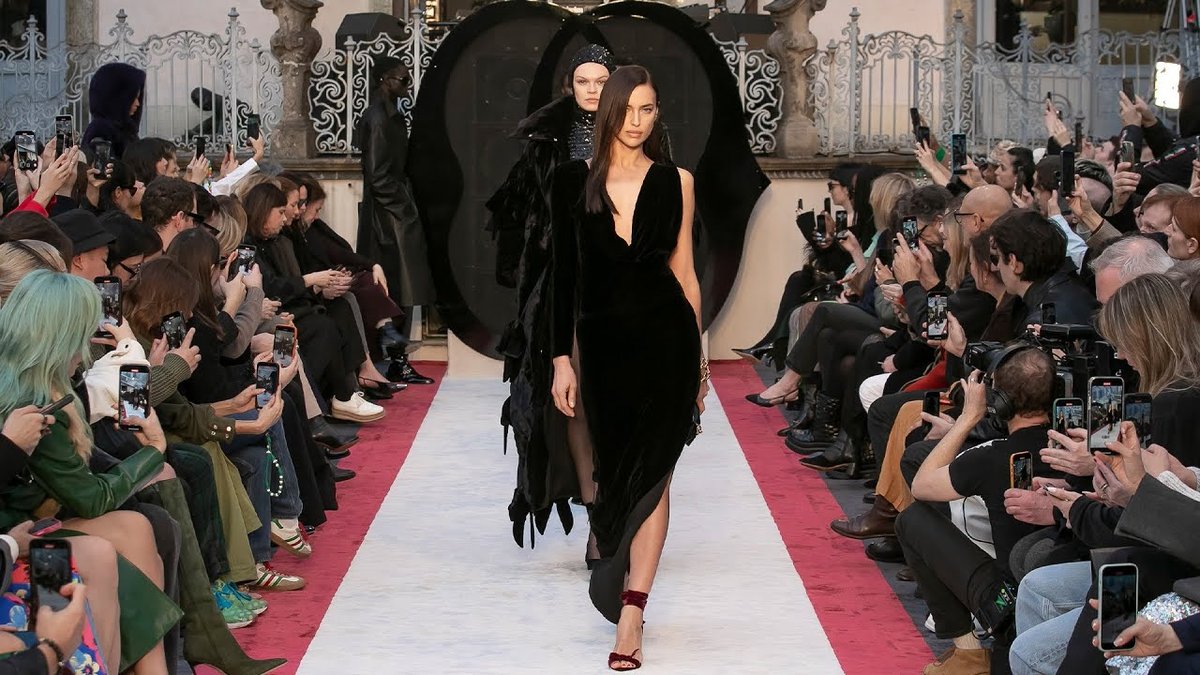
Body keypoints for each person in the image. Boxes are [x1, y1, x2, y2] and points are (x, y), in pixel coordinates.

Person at [548, 65, 705, 671]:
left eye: (648, 109)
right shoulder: (572, 182)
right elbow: (564, 279)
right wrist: (561, 359)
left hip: (668, 345)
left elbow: (685, 274)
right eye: (628, 109)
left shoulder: (677, 181)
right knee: (619, 478)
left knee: (656, 476)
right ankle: (617, 574)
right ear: (607, 111)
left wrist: (700, 364)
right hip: (604, 351)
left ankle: (633, 613)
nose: (637, 122)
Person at [488, 43, 616, 558]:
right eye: (583, 81)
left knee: (616, 400)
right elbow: (522, 210)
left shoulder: (637, 129)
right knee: (568, 401)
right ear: (570, 84)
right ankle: (595, 514)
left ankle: (617, 506)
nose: (591, 90)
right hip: (562, 278)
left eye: (600, 81)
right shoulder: (546, 138)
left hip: (622, 278)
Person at [899, 348, 1060, 674]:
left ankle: (968, 653)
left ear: (998, 402)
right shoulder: (1079, 451)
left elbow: (921, 485)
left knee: (911, 520)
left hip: (1009, 605)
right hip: (1062, 593)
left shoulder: (990, 457)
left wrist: (968, 418)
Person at [357, 56, 435, 331]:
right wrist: (404, 206)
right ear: (384, 81)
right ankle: (392, 346)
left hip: (393, 210)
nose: (407, 85)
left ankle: (395, 345)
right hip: (388, 215)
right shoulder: (379, 118)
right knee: (392, 286)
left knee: (401, 287)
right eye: (403, 80)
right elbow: (377, 174)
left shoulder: (389, 115)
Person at [82, 63, 145, 159]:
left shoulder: (124, 130)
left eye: (138, 98)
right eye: (133, 98)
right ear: (118, 98)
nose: (138, 103)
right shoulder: (101, 130)